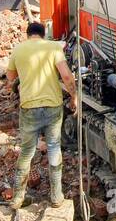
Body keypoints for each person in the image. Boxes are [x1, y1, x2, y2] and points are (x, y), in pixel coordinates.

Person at [6, 20, 77, 209]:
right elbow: (67, 76)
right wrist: (74, 97)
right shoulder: (53, 47)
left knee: (27, 152)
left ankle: (18, 198)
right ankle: (56, 197)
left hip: (28, 107)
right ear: (43, 34)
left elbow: (11, 79)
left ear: (28, 35)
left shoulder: (18, 49)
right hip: (53, 107)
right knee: (54, 147)